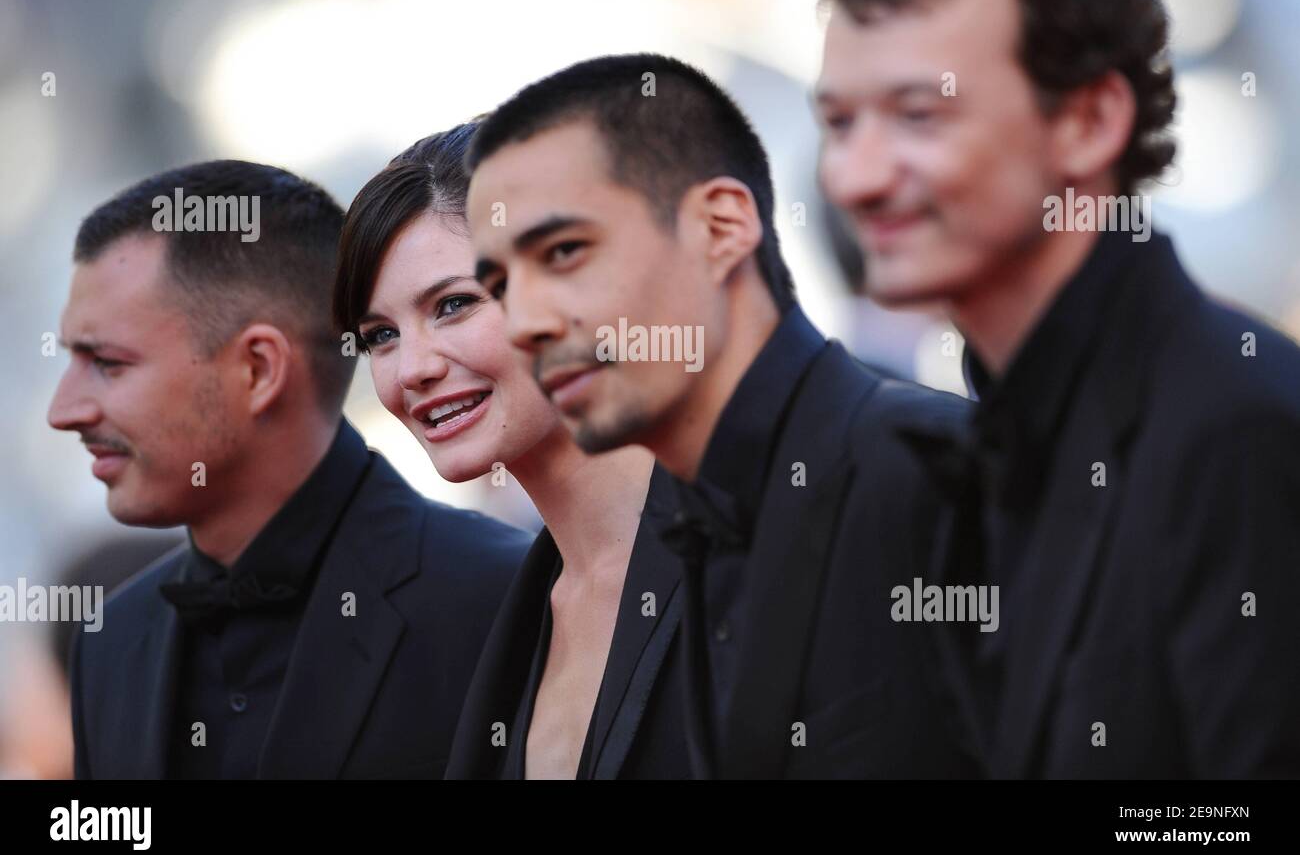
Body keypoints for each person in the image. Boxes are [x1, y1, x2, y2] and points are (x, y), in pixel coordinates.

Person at [817, 0, 1300, 777]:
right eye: (841, 123)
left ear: (1088, 120)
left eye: (918, 115)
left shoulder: (1234, 428)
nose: (856, 176)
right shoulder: (978, 443)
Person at [466, 53, 978, 778]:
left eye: (565, 251)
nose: (525, 319)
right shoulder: (693, 528)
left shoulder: (939, 474)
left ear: (722, 225)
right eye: (498, 284)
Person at [50, 160, 530, 779]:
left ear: (258, 370)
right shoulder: (113, 642)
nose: (65, 411)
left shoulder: (506, 596)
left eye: (107, 363)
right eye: (383, 334)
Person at [333, 124, 689, 779]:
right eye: (380, 335)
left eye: (454, 304)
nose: (411, 367)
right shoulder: (519, 617)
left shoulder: (783, 538)